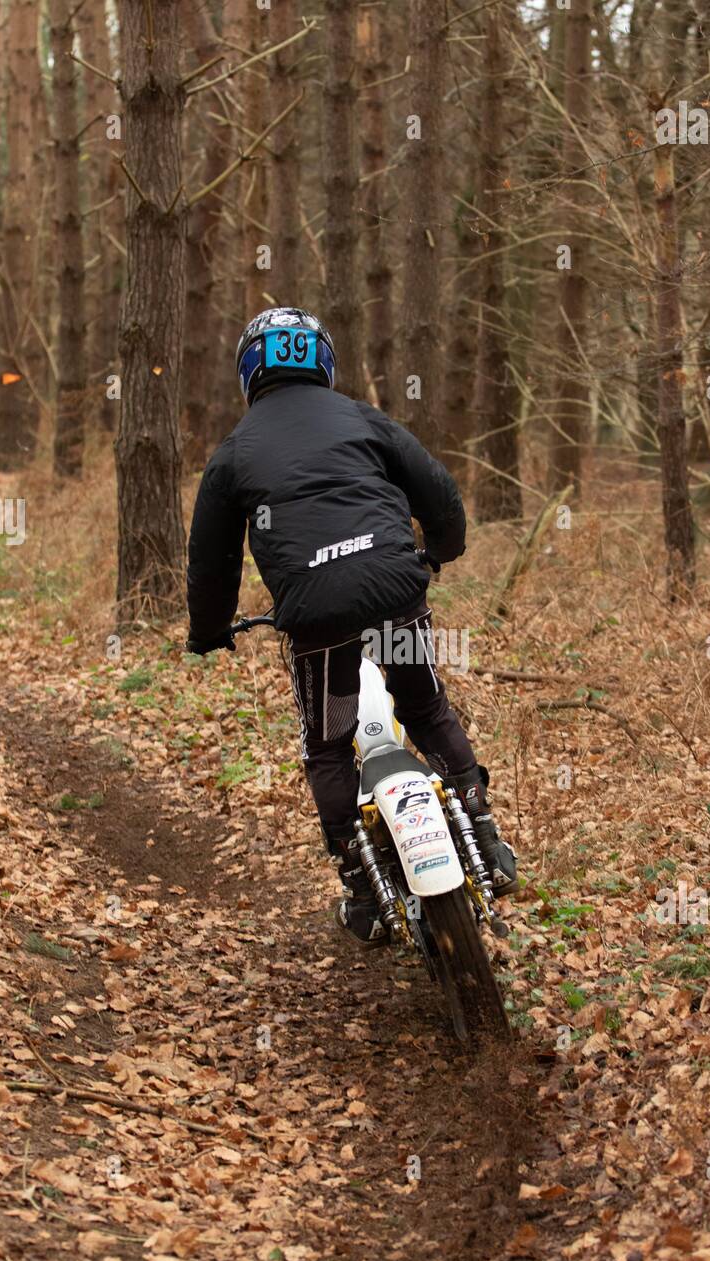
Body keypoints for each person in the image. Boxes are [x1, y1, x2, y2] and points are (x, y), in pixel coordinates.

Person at [186, 307, 518, 943]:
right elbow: (439, 493)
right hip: (396, 587)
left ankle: (364, 890)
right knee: (424, 708)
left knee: (330, 746)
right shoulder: (362, 417)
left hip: (318, 616)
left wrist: (209, 629)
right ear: (322, 361)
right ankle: (483, 834)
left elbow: (211, 563)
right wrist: (441, 549)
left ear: (251, 371)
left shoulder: (233, 453)